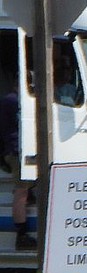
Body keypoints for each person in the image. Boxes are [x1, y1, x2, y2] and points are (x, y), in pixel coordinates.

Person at [0, 91, 33, 250]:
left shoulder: (9, 100)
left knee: (23, 190)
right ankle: (21, 235)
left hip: (14, 150)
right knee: (21, 191)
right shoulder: (13, 101)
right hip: (17, 151)